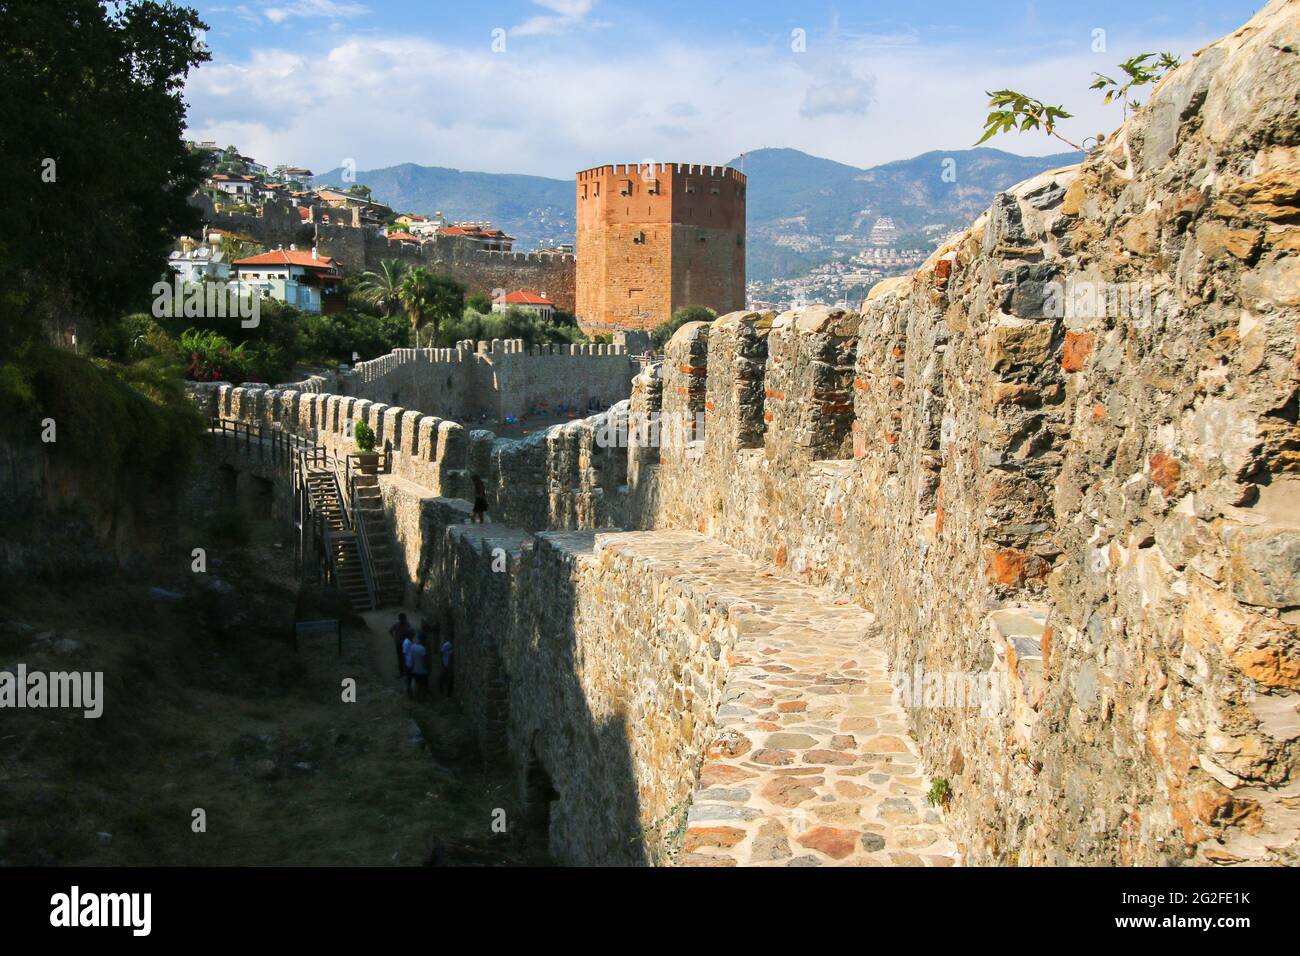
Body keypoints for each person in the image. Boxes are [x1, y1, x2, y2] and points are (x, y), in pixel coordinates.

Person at [389, 613, 414, 683]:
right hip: (400, 644)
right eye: (402, 619)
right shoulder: (401, 624)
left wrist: (394, 638)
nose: (403, 621)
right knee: (401, 657)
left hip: (403, 644)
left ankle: (404, 672)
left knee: (404, 657)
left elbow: (411, 633)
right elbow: (390, 631)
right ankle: (402, 672)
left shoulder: (404, 624)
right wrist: (394, 637)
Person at [407, 633, 430, 698]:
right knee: (424, 686)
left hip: (414, 670)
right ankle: (422, 698)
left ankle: (416, 698)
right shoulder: (423, 649)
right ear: (424, 639)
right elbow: (425, 661)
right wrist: (428, 669)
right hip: (422, 671)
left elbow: (411, 659)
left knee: (417, 685)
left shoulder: (413, 647)